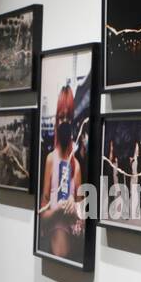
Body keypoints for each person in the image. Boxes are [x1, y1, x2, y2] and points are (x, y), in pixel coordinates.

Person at [39, 81, 84, 258]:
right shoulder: (50, 159)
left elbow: (83, 217)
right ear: (56, 119)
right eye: (61, 117)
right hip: (53, 237)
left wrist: (75, 208)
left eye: (68, 118)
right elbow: (42, 214)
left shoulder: (77, 165)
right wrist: (57, 209)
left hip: (70, 240)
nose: (64, 122)